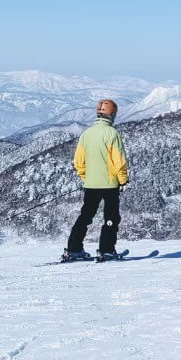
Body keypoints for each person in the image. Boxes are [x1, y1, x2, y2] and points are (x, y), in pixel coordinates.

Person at [63, 98, 129, 261]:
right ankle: (106, 250)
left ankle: (73, 248)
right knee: (111, 218)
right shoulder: (112, 134)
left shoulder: (87, 134)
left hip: (91, 185)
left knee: (85, 217)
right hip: (110, 184)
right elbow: (118, 161)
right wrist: (123, 180)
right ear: (112, 115)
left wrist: (87, 177)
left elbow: (79, 162)